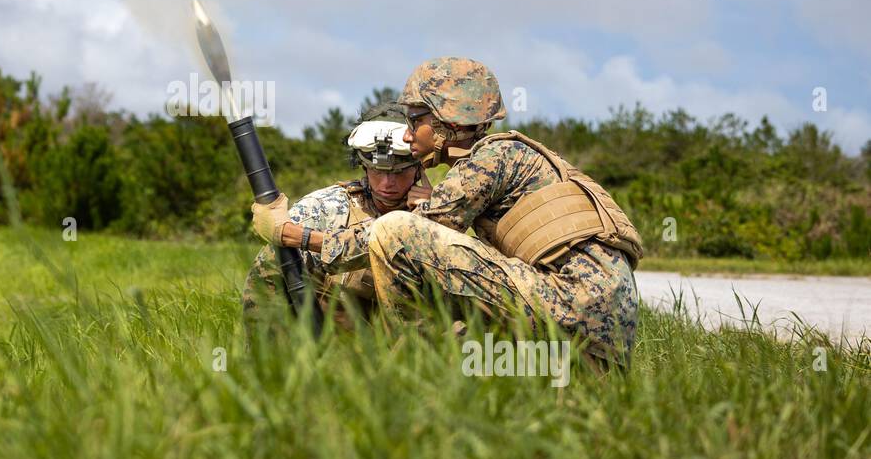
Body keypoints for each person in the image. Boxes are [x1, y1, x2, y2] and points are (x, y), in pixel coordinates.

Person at [253, 58, 643, 365]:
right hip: (595, 335)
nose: (407, 134)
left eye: (415, 120)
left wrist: (292, 235)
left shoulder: (492, 157)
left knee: (396, 233)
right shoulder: (511, 157)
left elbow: (392, 238)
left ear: (449, 122)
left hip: (571, 307)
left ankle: (417, 372)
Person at [242, 103, 426, 330]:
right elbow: (268, 275)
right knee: (275, 256)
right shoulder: (325, 208)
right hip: (339, 341)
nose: (388, 183)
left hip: (411, 341)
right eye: (378, 171)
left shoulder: (437, 210)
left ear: (420, 168)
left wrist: (431, 212)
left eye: (400, 172)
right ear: (363, 166)